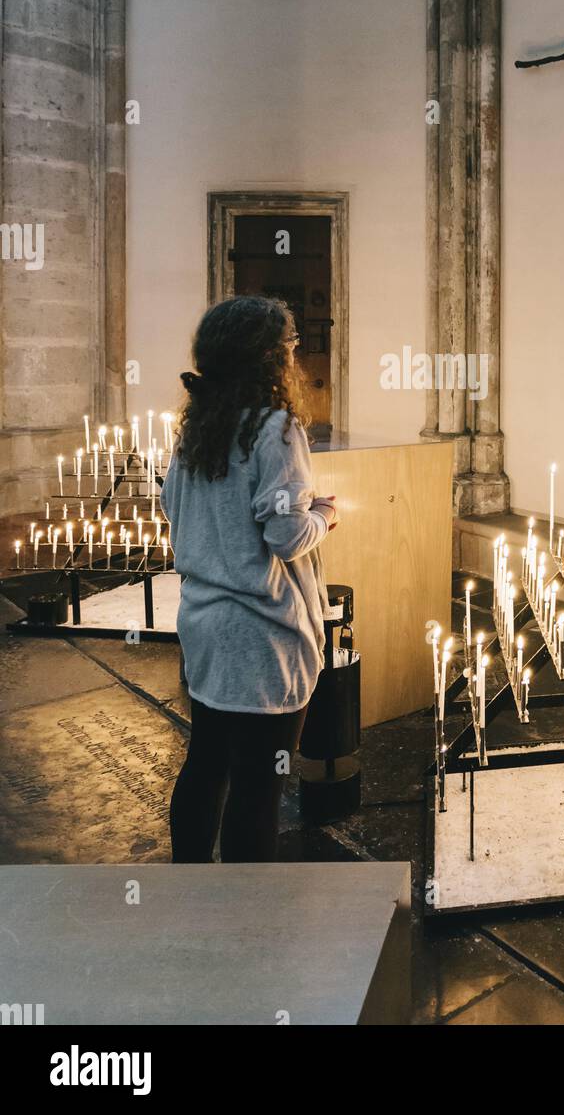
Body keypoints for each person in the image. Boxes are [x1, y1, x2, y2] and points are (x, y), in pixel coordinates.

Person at [161, 295, 338, 863]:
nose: (293, 356)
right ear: (268, 358)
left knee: (207, 763)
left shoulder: (198, 428)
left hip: (204, 626)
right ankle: (248, 926)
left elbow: (174, 507)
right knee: (259, 790)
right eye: (289, 347)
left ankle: (188, 887)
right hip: (262, 636)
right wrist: (325, 516)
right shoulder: (276, 429)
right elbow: (285, 538)